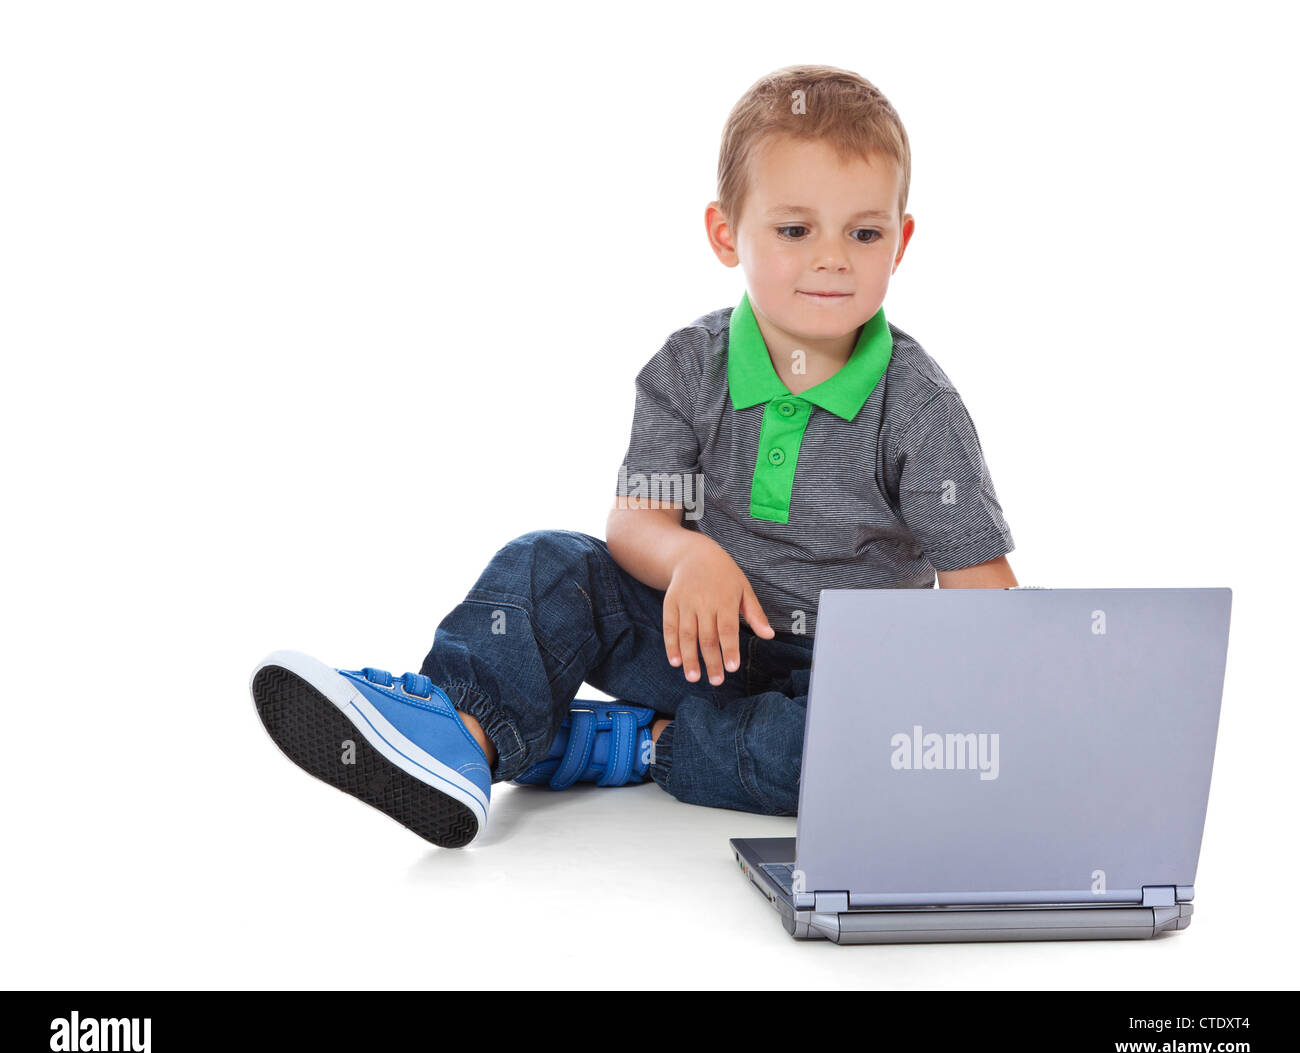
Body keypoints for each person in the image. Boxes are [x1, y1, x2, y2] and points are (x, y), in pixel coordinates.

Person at [249, 63, 1019, 849]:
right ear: (727, 234)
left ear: (903, 240)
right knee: (547, 562)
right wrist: (689, 556)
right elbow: (637, 521)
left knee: (854, 756)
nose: (833, 258)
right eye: (795, 230)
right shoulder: (690, 366)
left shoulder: (918, 407)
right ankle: (463, 734)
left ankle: (639, 744)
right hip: (700, 641)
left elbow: (982, 592)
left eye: (865, 232)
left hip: (841, 679)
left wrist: (969, 719)